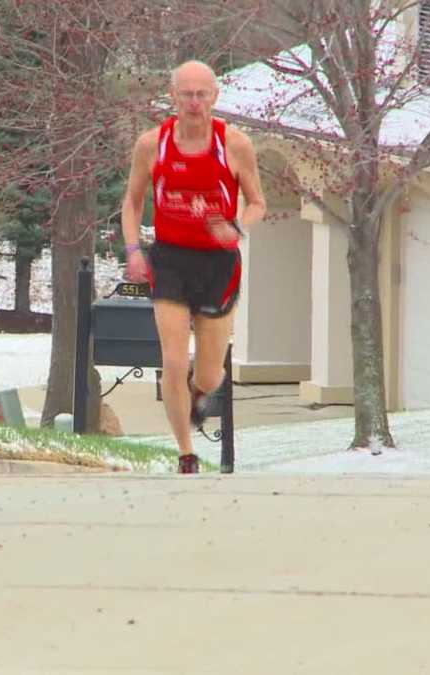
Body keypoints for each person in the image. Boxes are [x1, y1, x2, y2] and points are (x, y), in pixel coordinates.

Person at [120, 60, 266, 474]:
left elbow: (258, 203)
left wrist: (236, 227)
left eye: (202, 94)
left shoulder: (234, 144)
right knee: (172, 360)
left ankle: (198, 393)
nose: (195, 102)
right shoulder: (153, 144)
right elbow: (131, 201)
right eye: (187, 93)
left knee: (209, 373)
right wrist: (133, 249)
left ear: (215, 97)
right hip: (170, 259)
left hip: (218, 263)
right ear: (173, 97)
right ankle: (186, 452)